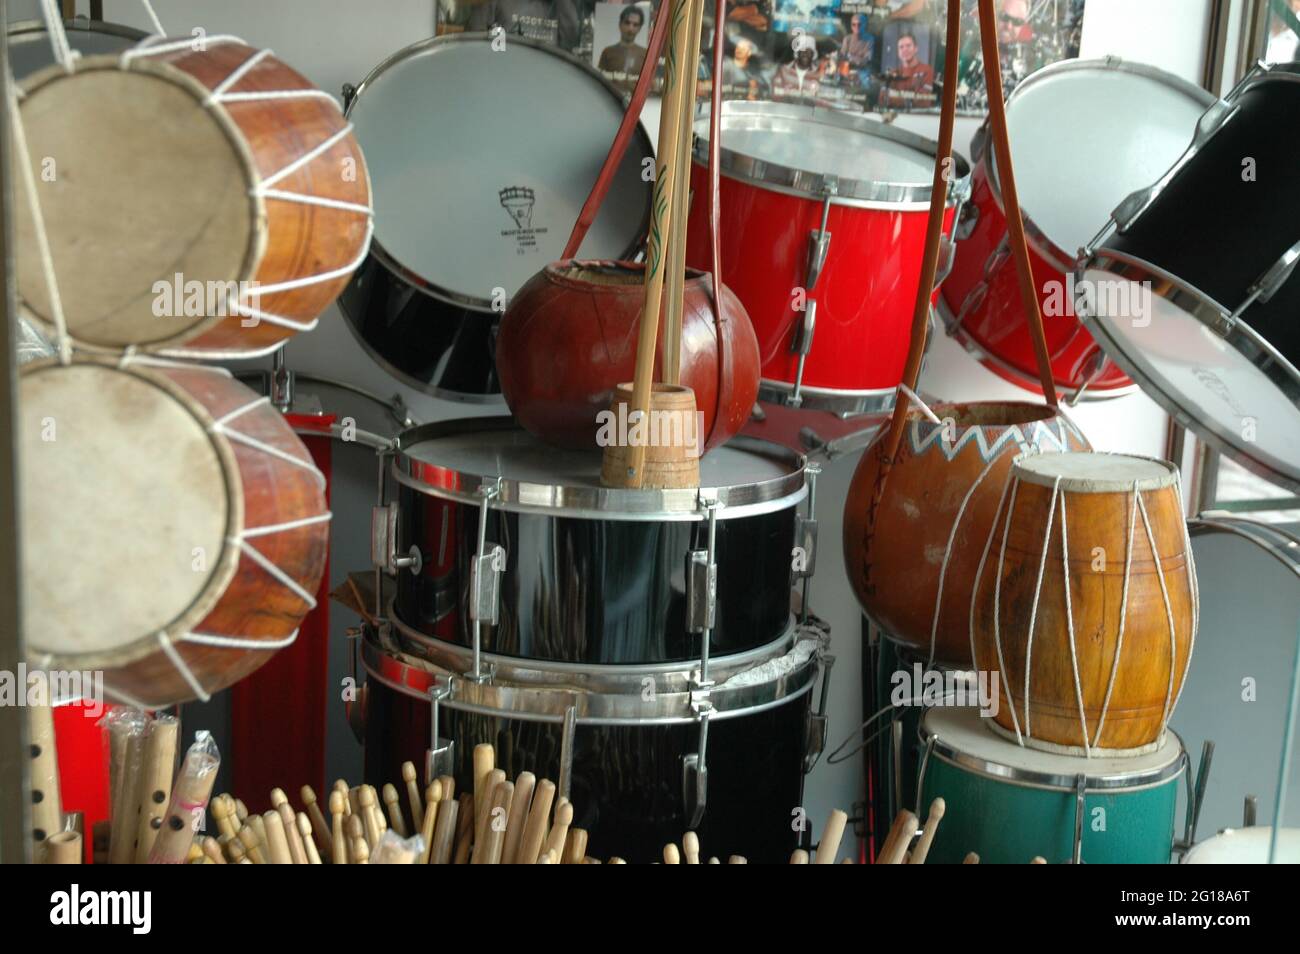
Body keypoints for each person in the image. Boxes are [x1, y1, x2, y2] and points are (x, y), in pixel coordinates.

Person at [468, 0, 581, 52]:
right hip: (502, 76)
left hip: (545, 80)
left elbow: (569, 45)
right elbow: (473, 47)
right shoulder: (491, 3)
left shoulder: (563, 7)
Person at [598, 5, 649, 91]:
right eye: (627, 23)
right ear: (620, 24)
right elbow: (600, 81)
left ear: (639, 28)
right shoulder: (607, 52)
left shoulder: (646, 54)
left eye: (635, 25)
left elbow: (649, 85)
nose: (630, 28)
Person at [878, 31, 934, 108]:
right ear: (898, 52)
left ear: (916, 48)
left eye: (908, 46)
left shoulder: (927, 70)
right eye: (901, 47)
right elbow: (882, 99)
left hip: (918, 117)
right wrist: (910, 98)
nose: (905, 50)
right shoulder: (893, 73)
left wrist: (895, 97)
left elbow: (924, 101)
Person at [772, 31, 824, 101]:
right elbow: (775, 93)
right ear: (798, 53)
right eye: (802, 50)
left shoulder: (819, 74)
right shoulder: (783, 70)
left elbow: (822, 98)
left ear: (813, 55)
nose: (805, 54)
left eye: (809, 51)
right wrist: (785, 92)